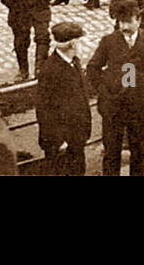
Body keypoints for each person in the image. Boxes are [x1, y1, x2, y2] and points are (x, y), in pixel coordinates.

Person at [86, 0, 144, 175]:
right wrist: (105, 90)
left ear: (139, 20)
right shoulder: (109, 41)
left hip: (140, 108)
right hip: (114, 107)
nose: (125, 26)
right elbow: (93, 67)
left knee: (140, 151)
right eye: (121, 22)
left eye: (129, 21)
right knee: (111, 152)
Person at [35, 21, 91, 175]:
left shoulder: (74, 62)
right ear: (73, 43)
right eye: (79, 40)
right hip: (61, 145)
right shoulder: (50, 71)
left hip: (76, 137)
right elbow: (43, 110)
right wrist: (59, 141)